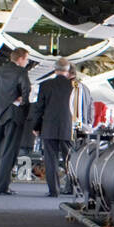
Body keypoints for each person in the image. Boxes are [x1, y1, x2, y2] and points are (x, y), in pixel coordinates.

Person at [31, 57, 75, 198]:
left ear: (55, 70)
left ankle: (54, 191)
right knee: (70, 160)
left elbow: (39, 108)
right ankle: (72, 188)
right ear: (68, 71)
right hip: (67, 128)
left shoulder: (45, 85)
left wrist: (36, 126)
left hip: (49, 128)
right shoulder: (73, 87)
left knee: (51, 160)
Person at [0, 48, 31, 195]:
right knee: (9, 152)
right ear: (20, 59)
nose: (27, 62)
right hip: (13, 115)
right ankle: (2, 187)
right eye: (26, 59)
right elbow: (26, 90)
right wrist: (23, 103)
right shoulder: (21, 72)